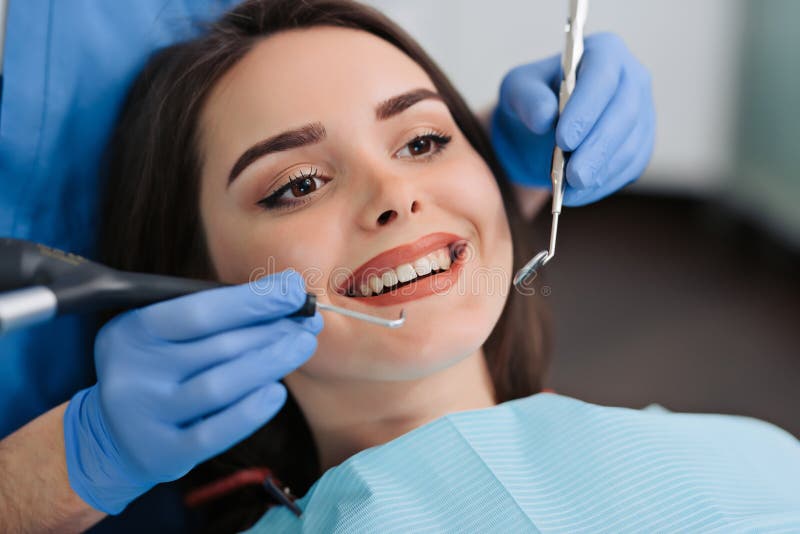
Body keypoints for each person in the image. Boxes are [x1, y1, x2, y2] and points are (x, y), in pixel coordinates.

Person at [0, 0, 657, 531]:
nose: (398, 195)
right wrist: (75, 463)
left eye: (425, 141)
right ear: (195, 281)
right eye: (301, 184)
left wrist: (522, 159)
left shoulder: (742, 452)